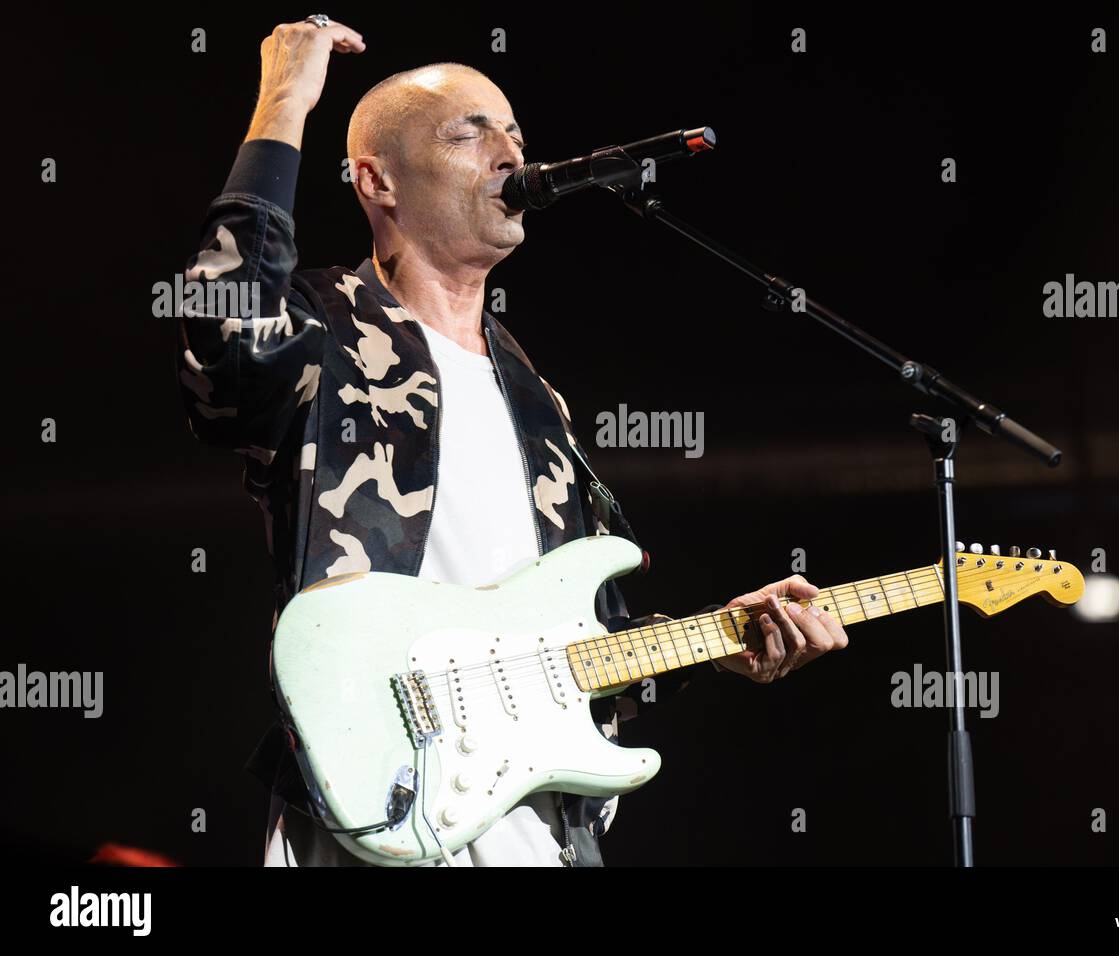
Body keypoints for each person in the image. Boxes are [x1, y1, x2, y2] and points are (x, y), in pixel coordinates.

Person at [175, 15, 849, 867]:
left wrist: (719, 641)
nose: (510, 153)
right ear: (377, 181)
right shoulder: (330, 333)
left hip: (542, 833)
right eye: (470, 133)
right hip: (374, 814)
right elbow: (221, 345)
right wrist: (284, 103)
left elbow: (570, 648)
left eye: (516, 135)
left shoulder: (538, 399)